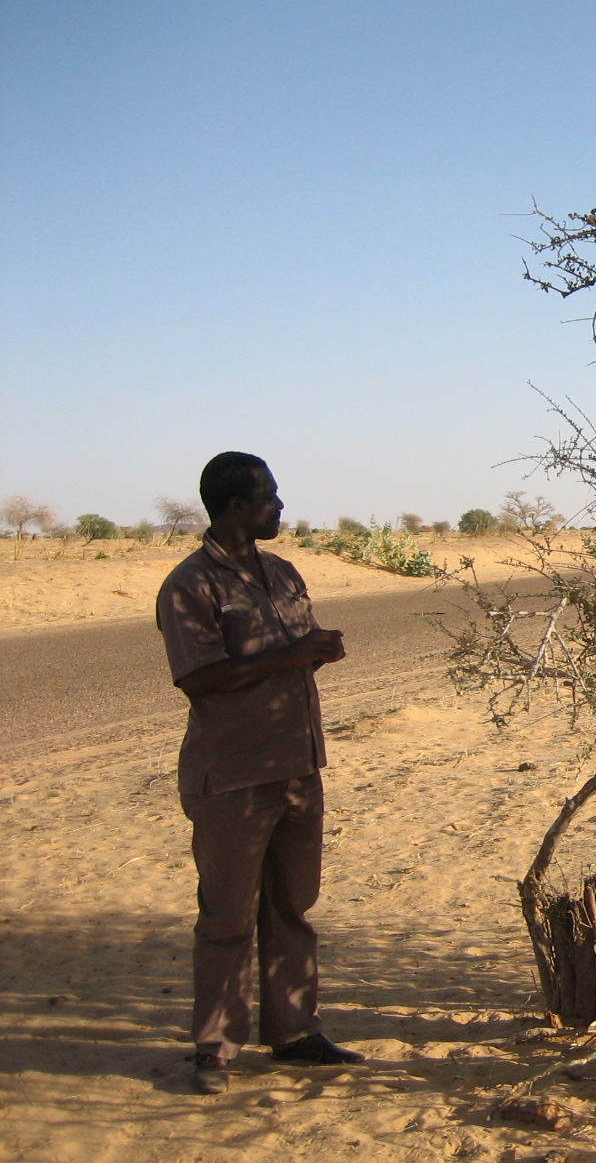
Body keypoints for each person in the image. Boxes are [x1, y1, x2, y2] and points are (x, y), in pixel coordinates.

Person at [156, 452, 363, 1094]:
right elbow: (198, 677)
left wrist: (313, 653)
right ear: (237, 508)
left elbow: (282, 659)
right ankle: (215, 1049)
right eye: (269, 496)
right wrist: (293, 655)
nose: (280, 506)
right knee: (226, 918)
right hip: (233, 778)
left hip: (297, 767)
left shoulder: (282, 572)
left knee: (293, 907)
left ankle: (295, 1033)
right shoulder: (190, 586)